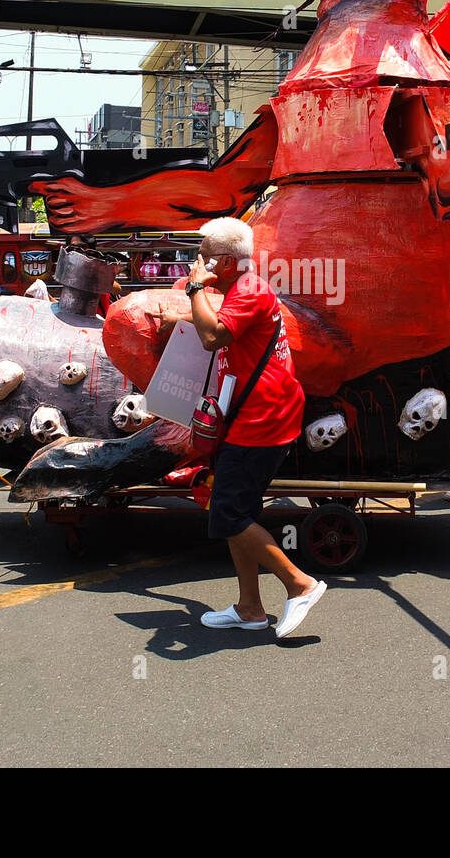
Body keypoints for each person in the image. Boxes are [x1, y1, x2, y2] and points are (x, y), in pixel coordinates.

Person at [165, 217, 324, 639]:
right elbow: (217, 324)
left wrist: (195, 289)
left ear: (222, 261)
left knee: (230, 513)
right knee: (239, 511)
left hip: (263, 417)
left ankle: (299, 584)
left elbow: (214, 336)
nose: (196, 261)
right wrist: (182, 315)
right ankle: (250, 608)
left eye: (202, 254)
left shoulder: (250, 288)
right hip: (254, 413)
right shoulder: (241, 287)